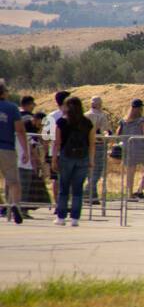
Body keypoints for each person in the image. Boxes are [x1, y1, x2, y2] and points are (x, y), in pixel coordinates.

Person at [52, 95, 94, 226]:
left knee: (64, 188)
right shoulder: (87, 123)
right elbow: (91, 143)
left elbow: (57, 143)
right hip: (82, 157)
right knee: (77, 189)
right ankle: (75, 218)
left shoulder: (61, 122)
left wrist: (54, 159)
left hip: (66, 156)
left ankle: (61, 217)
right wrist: (91, 160)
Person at [0, 80, 27, 224]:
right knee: (13, 181)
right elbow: (20, 130)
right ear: (4, 92)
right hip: (6, 148)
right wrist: (25, 150)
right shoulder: (12, 108)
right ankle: (15, 204)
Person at [116, 98, 144, 202]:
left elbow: (118, 133)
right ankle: (139, 189)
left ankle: (129, 193)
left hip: (128, 146)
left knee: (130, 172)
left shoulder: (124, 120)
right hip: (140, 147)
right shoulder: (142, 120)